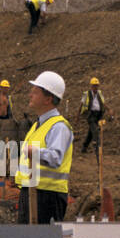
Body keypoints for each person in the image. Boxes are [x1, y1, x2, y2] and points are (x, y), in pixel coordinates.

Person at [15, 71, 73, 225]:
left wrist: (34, 152)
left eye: (35, 92)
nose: (30, 95)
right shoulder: (37, 125)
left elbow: (55, 158)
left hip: (47, 196)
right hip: (30, 192)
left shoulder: (58, 127)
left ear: (48, 99)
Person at [79, 77, 108, 153]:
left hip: (98, 115)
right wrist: (77, 115)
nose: (95, 87)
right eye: (94, 85)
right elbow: (81, 104)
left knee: (91, 133)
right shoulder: (86, 94)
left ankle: (84, 147)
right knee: (95, 130)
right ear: (91, 86)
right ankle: (98, 148)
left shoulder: (100, 94)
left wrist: (109, 110)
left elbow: (103, 103)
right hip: (90, 115)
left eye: (97, 85)